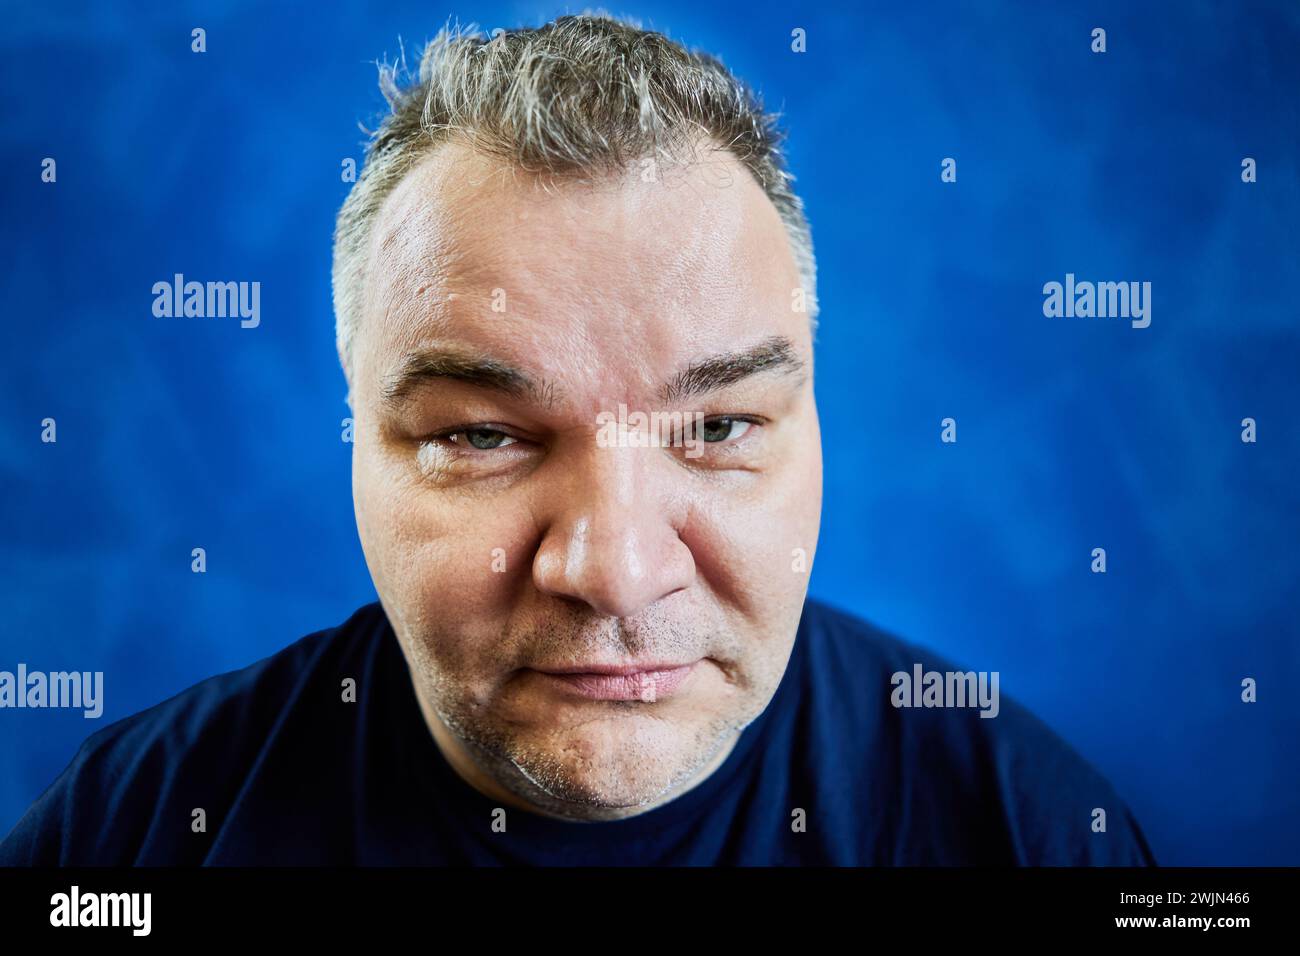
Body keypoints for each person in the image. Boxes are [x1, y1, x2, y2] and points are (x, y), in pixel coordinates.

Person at [0, 15, 1154, 866]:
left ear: (812, 424)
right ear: (356, 443)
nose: (613, 568)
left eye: (713, 426)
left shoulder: (1026, 828)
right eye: (487, 434)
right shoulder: (132, 837)